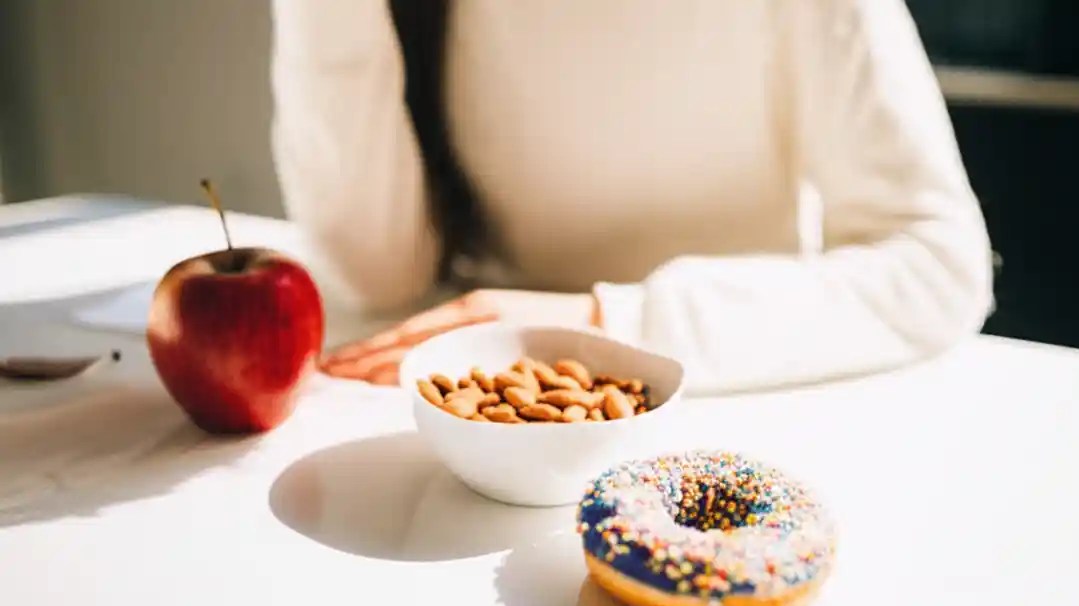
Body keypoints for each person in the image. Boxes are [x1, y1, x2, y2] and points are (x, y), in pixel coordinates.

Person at [269, 0, 993, 395]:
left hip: (748, 404)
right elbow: (375, 271)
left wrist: (609, 325)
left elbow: (939, 267)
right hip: (483, 428)